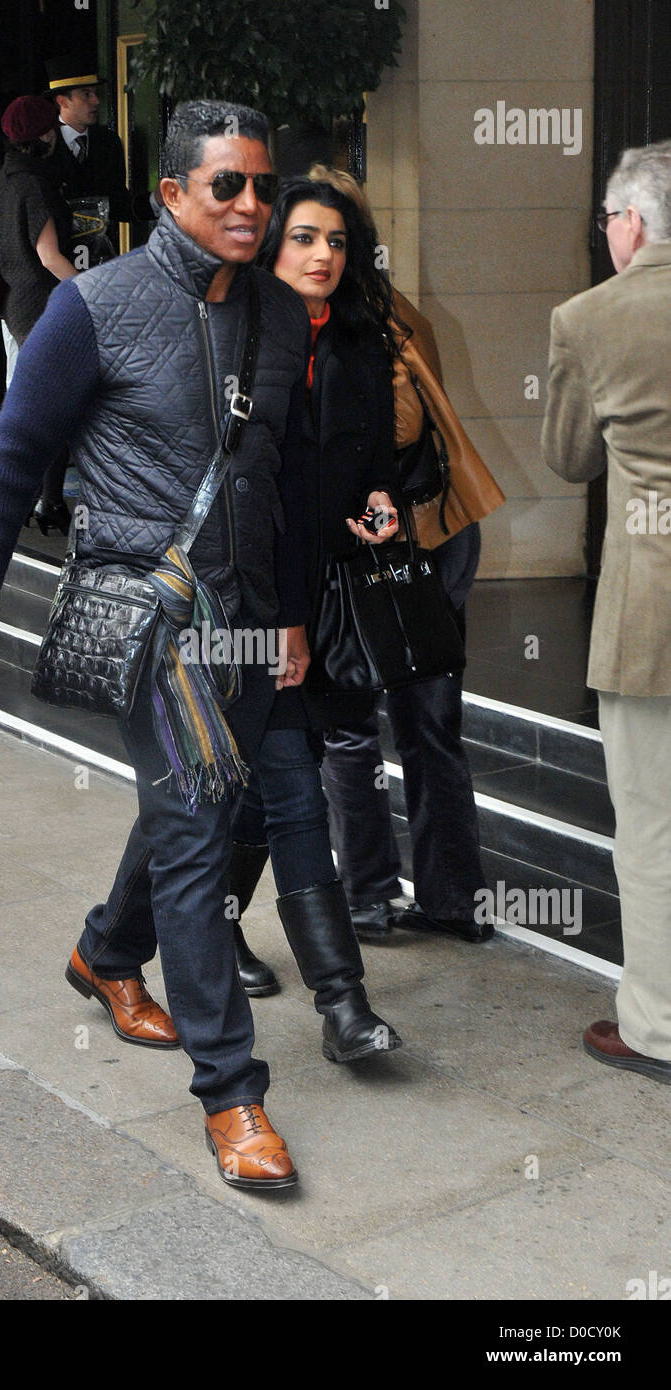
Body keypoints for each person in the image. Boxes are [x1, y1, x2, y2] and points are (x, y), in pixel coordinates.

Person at [0, 100, 315, 1189]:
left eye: (263, 185)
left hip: (247, 618)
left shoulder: (282, 319)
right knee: (200, 831)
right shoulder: (90, 309)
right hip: (149, 617)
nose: (252, 205)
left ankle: (106, 952)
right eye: (227, 187)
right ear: (172, 195)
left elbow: (282, 479)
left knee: (206, 806)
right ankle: (233, 1097)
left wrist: (289, 611)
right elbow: (11, 462)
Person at [220, 178, 405, 1062]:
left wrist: (381, 501)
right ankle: (343, 1004)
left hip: (329, 600)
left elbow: (380, 464)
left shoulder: (363, 343)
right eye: (303, 238)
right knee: (289, 783)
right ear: (271, 249)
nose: (323, 255)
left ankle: (117, 941)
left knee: (265, 782)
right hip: (254, 601)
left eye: (336, 240)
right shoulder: (244, 343)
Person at [308, 166, 490, 947]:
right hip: (428, 540)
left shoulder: (360, 324)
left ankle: (373, 899)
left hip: (392, 547)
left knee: (351, 720)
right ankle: (449, 901)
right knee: (427, 727)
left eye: (322, 237)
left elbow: (401, 428)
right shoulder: (396, 311)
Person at [542, 140, 671, 1084]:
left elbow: (569, 457)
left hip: (651, 620)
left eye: (607, 223)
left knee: (654, 825)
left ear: (632, 223)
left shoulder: (590, 318)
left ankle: (658, 1025)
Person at [0, 95, 78, 535]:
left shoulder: (3, 181)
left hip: (15, 306)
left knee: (31, 408)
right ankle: (48, 501)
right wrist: (88, 290)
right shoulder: (33, 183)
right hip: (44, 305)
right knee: (53, 410)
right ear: (43, 135)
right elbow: (49, 256)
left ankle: (31, 498)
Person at [44, 56, 133, 247]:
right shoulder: (43, 144)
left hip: (99, 257)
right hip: (57, 258)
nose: (96, 101)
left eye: (95, 93)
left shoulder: (108, 142)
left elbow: (119, 203)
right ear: (63, 101)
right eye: (86, 94)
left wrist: (154, 202)